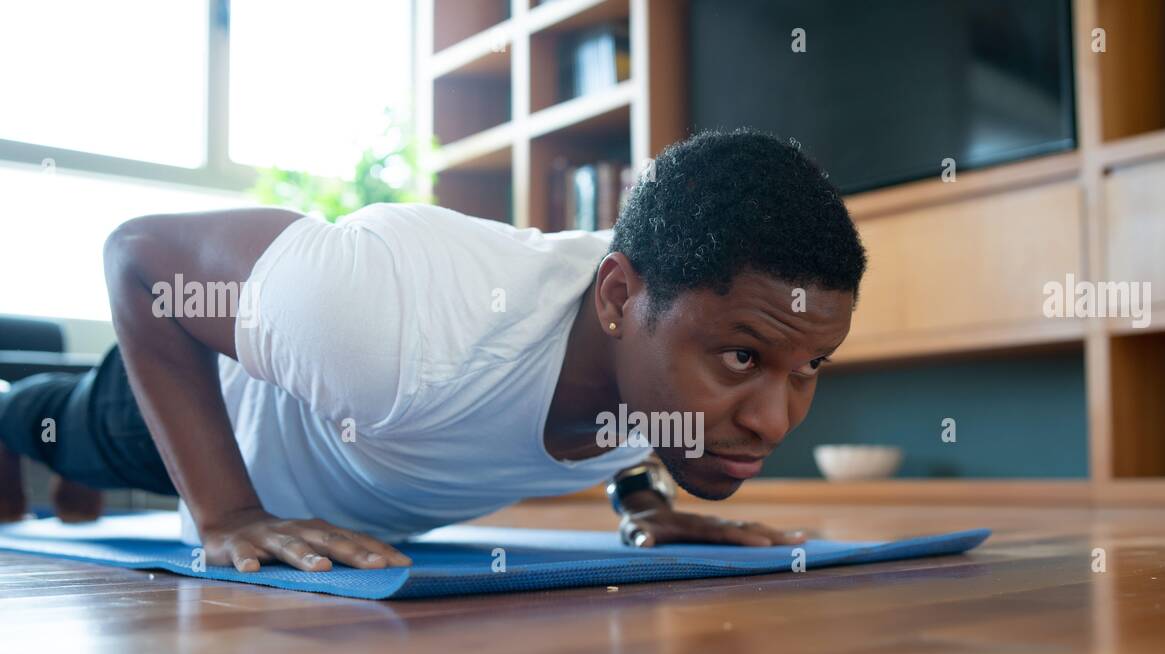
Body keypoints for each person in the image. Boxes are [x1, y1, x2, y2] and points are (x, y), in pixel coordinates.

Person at [0, 129, 867, 573]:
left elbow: (635, 388)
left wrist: (640, 497)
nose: (773, 419)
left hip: (339, 468)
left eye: (810, 370)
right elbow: (138, 260)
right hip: (197, 410)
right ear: (616, 298)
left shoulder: (671, 335)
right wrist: (228, 516)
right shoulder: (390, 320)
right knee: (41, 418)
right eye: (746, 361)